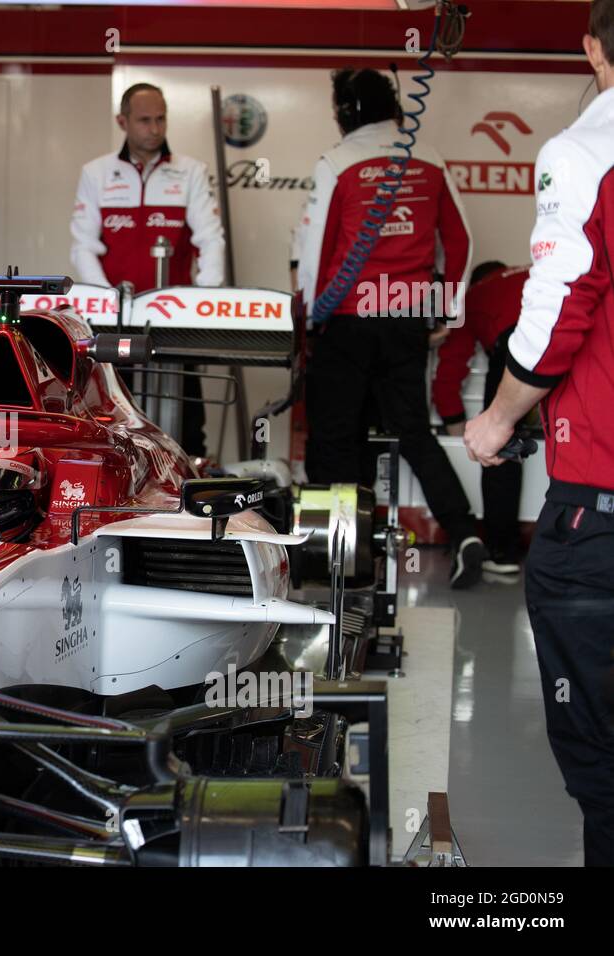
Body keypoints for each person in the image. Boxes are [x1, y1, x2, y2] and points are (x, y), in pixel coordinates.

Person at [464, 0, 614, 866]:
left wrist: (496, 419)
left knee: (602, 764)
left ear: (593, 47)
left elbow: (559, 307)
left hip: (600, 510)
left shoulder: (584, 152)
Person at [295, 67, 484, 588]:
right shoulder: (431, 158)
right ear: (394, 107)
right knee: (412, 432)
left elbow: (315, 254)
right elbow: (463, 241)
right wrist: (446, 308)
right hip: (405, 316)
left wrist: (309, 318)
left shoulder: (336, 162)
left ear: (343, 113)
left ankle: (344, 562)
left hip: (346, 320)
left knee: (336, 437)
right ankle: (466, 534)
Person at [70, 82, 225, 457]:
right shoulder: (96, 173)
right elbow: (83, 247)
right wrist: (109, 302)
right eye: (144, 120)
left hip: (173, 325)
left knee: (187, 426)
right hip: (114, 323)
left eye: (160, 119)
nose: (154, 129)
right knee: (112, 421)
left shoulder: (191, 172)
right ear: (122, 121)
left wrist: (200, 306)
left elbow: (211, 241)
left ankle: (188, 502)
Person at [432, 261, 531, 574]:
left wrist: (465, 433)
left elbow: (448, 378)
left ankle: (502, 553)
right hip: (576, 334)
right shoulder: (528, 270)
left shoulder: (473, 297)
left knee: (501, 443)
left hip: (517, 345)